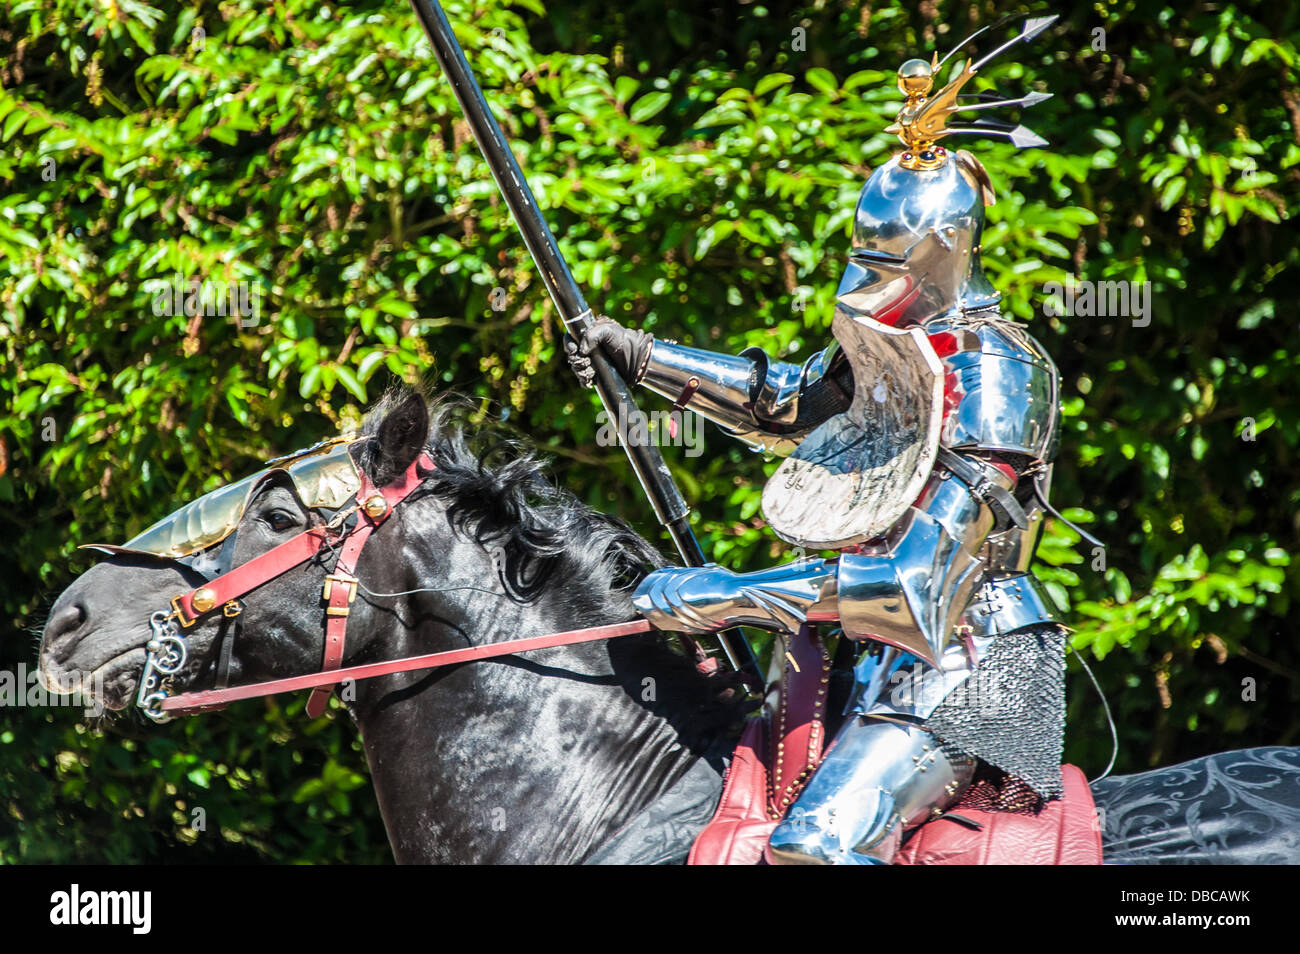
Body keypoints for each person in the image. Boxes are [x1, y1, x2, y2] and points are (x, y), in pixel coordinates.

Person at [566, 18, 1073, 864]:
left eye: (881, 262)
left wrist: (722, 592)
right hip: (849, 654)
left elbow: (916, 590)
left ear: (945, 247)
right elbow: (787, 403)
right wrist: (641, 356)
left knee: (819, 846)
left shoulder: (995, 374)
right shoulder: (894, 345)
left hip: (964, 659)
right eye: (858, 256)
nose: (856, 284)